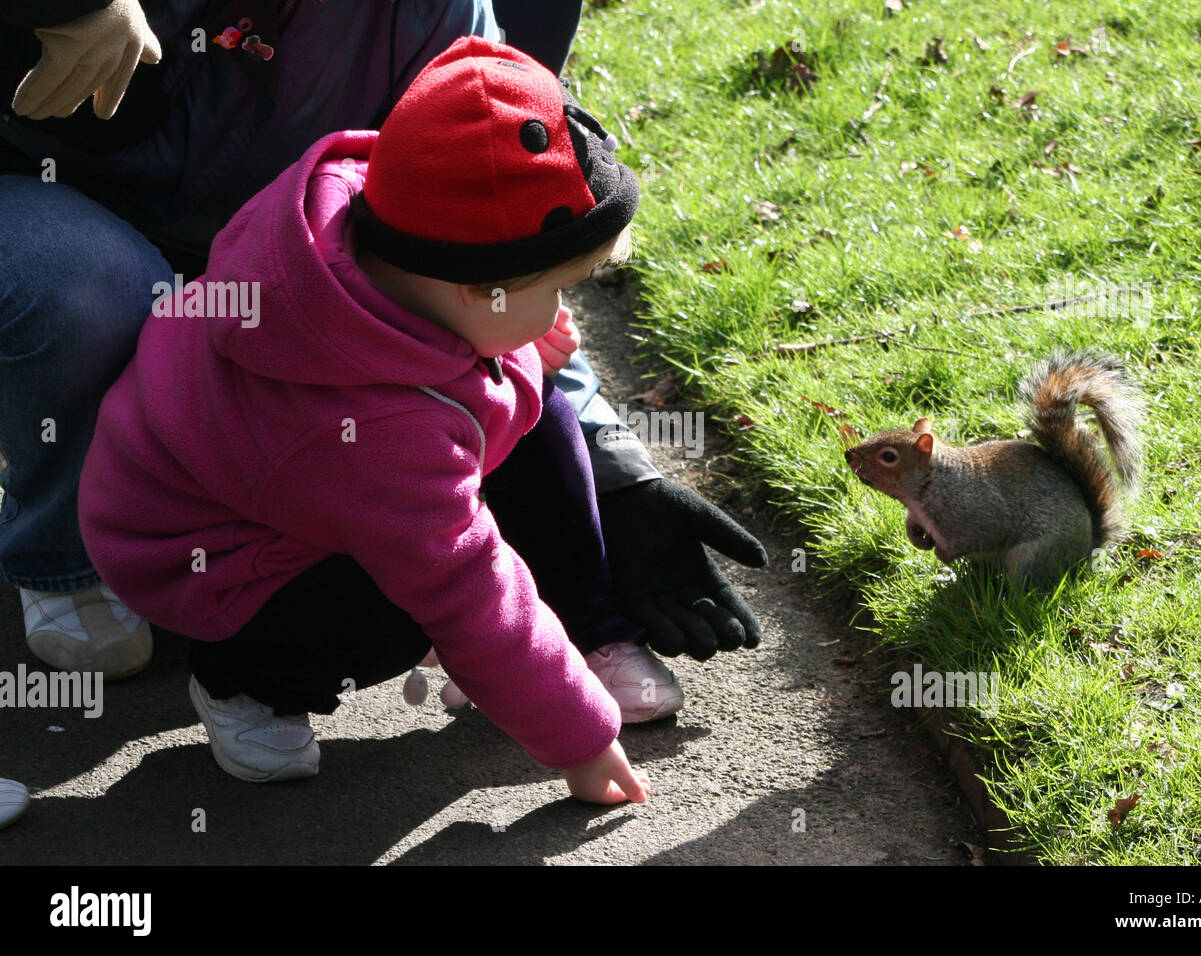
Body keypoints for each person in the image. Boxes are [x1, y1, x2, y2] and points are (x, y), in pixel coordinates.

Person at [1, 0, 764, 704]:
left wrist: (611, 468)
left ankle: (557, 621)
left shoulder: (426, 14)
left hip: (293, 261)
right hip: (58, 201)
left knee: (473, 427)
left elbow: (507, 223)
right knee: (94, 289)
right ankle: (63, 552)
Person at [77, 37, 659, 802]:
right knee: (399, 613)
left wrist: (524, 348)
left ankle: (585, 621)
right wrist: (579, 740)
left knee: (540, 403)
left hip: (273, 478)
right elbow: (464, 584)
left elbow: (466, 363)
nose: (565, 307)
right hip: (204, 554)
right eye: (558, 287)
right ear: (472, 293)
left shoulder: (380, 220)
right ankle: (244, 685)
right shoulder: (371, 433)